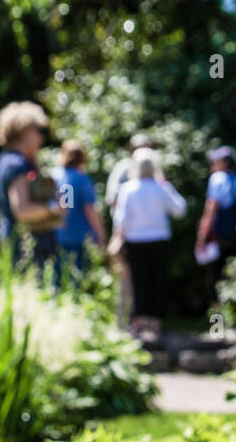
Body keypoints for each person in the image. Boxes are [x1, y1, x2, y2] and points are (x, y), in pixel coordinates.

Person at [113, 148, 186, 340]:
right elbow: (180, 210)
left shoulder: (128, 188)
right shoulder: (161, 187)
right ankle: (155, 323)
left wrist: (118, 238)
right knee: (157, 281)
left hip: (135, 241)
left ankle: (137, 323)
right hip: (158, 241)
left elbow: (121, 220)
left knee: (139, 281)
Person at [0, 101, 62, 277]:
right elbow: (22, 210)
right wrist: (54, 209)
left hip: (22, 242)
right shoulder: (17, 165)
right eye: (37, 131)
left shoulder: (11, 160)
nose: (41, 138)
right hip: (27, 247)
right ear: (24, 130)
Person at [106, 132, 155, 325]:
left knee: (148, 279)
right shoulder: (123, 169)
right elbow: (113, 200)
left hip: (148, 236)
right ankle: (122, 323)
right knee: (125, 281)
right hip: (126, 234)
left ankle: (145, 323)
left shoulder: (154, 169)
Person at [195, 145, 236, 297]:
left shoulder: (218, 179)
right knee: (234, 276)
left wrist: (202, 237)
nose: (213, 164)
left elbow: (211, 209)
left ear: (225, 163)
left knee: (215, 278)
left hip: (220, 237)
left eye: (216, 160)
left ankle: (216, 317)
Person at [52, 140, 105, 282]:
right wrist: (100, 233)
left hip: (55, 234)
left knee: (57, 278)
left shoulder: (53, 176)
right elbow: (90, 210)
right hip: (77, 236)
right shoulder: (82, 180)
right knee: (77, 278)